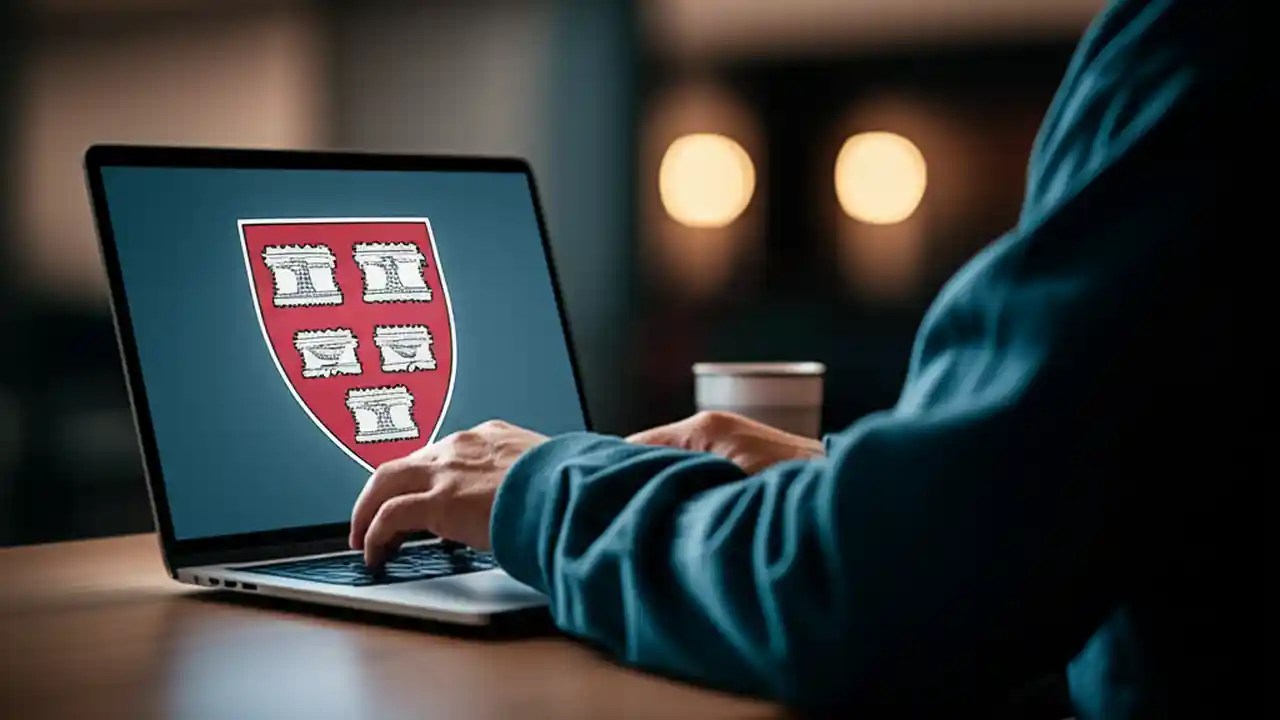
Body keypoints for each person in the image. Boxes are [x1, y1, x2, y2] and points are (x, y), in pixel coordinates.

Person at [349, 0, 1247, 715]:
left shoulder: (1209, 46)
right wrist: (855, 482)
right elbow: (1099, 506)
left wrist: (543, 488)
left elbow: (881, 591)